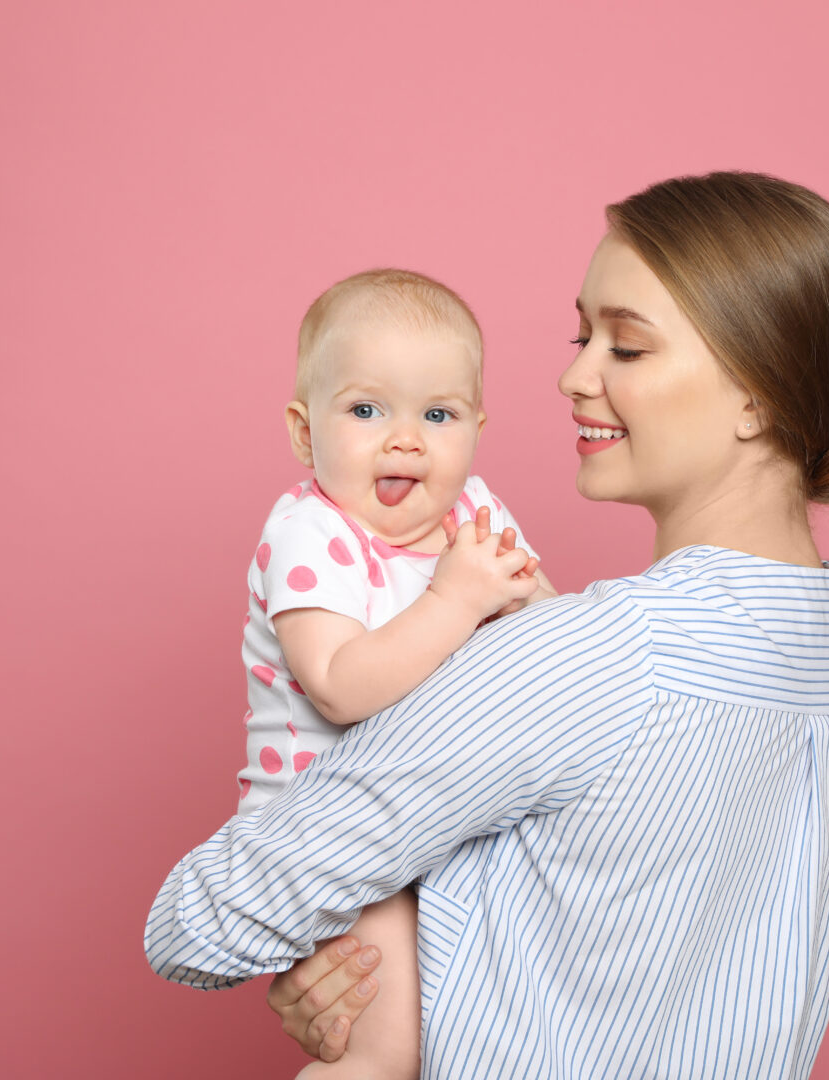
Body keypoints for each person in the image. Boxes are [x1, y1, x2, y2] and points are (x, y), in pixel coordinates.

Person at [146, 172, 829, 1079]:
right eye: (580, 334)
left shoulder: (593, 658)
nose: (572, 375)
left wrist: (348, 966)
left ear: (759, 400)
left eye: (624, 347)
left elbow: (198, 925)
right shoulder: (825, 645)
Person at [232, 267, 557, 1079]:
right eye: (367, 409)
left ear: (478, 428)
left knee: (480, 1030)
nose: (405, 438)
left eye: (438, 414)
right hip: (328, 826)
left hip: (439, 816)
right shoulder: (310, 532)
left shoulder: (474, 514)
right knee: (385, 1049)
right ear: (306, 434)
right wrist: (455, 600)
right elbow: (339, 684)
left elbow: (553, 637)